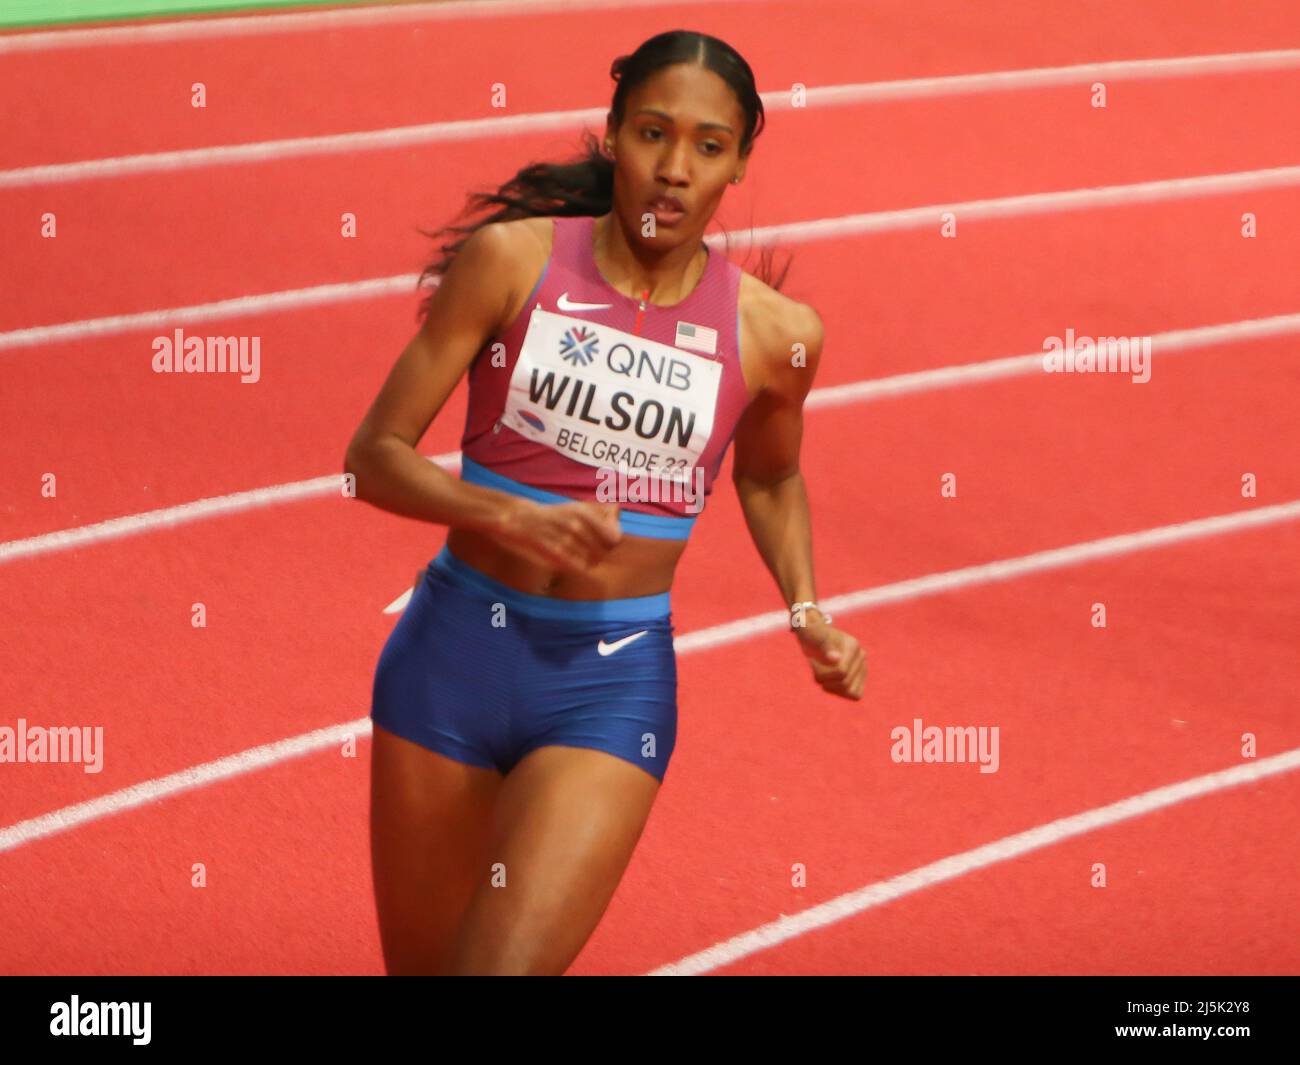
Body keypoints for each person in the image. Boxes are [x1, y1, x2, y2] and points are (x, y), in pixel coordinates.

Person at [345, 29, 866, 976]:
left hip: (607, 682)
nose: (674, 170)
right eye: (652, 135)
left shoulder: (776, 335)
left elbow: (769, 474)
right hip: (451, 657)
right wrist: (510, 515)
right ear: (615, 133)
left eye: (708, 146)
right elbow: (372, 458)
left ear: (742, 161)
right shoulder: (512, 262)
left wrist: (805, 607)